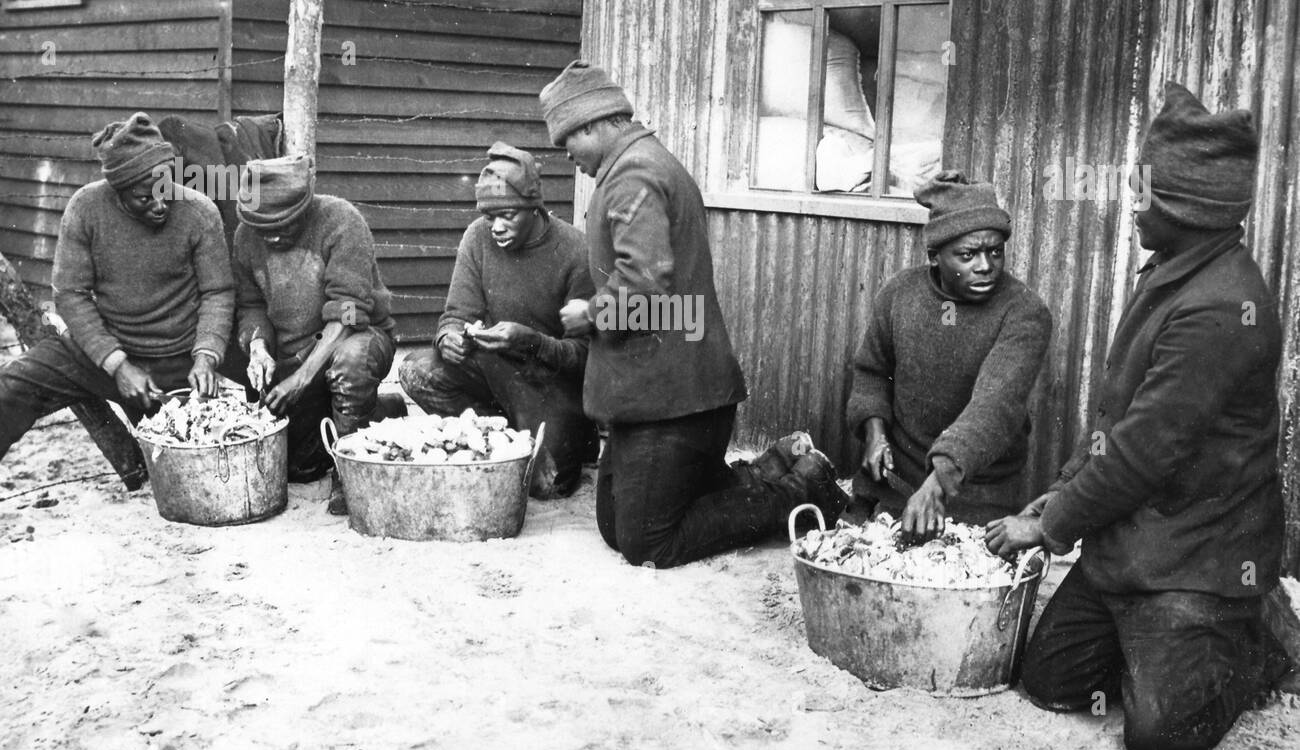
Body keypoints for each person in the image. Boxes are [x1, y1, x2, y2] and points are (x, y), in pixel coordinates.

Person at [986, 83, 1293, 750]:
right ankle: (1161, 638)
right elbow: (1118, 417)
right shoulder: (1172, 272)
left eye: (1144, 194)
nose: (1132, 207)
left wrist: (1052, 524)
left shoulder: (1221, 307)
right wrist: (1063, 490)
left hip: (1199, 549)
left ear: (1187, 209)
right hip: (1139, 534)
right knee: (1050, 683)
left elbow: (1143, 453)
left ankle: (1256, 639)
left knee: (1158, 735)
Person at [541, 60, 847, 569]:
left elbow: (645, 286)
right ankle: (772, 467)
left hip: (677, 399)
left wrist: (591, 314)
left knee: (647, 544)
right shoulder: (638, 164)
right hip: (659, 390)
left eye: (566, 141)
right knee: (616, 528)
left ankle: (799, 492)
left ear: (593, 123)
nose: (567, 155)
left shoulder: (633, 176)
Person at [0, 112, 233, 459]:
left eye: (165, 190)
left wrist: (206, 356)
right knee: (12, 387)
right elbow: (70, 294)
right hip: (106, 349)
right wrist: (117, 364)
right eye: (144, 198)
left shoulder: (200, 212)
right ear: (118, 190)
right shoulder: (86, 208)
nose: (160, 205)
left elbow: (218, 291)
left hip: (179, 354)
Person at [846, 172, 1052, 541]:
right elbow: (872, 372)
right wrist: (874, 433)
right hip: (897, 478)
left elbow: (995, 405)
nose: (985, 265)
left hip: (976, 487)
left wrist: (939, 481)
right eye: (968, 255)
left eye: (995, 251)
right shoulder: (899, 294)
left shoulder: (1024, 312)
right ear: (934, 257)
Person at [399, 141, 597, 498]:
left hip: (551, 383)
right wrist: (449, 338)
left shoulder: (575, 250)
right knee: (418, 372)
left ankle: (568, 439)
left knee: (548, 487)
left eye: (508, 215)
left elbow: (584, 356)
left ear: (534, 208)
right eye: (490, 216)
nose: (496, 227)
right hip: (495, 370)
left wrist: (530, 341)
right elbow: (456, 314)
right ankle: (500, 435)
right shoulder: (477, 237)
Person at [232, 155, 397, 516]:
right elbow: (250, 304)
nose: (272, 235)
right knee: (299, 469)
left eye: (283, 224)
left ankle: (349, 473)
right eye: (263, 227)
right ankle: (380, 412)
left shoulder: (341, 221)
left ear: (304, 206)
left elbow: (350, 312)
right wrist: (258, 346)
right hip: (294, 354)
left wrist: (301, 378)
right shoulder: (246, 236)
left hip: (357, 337)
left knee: (351, 361)